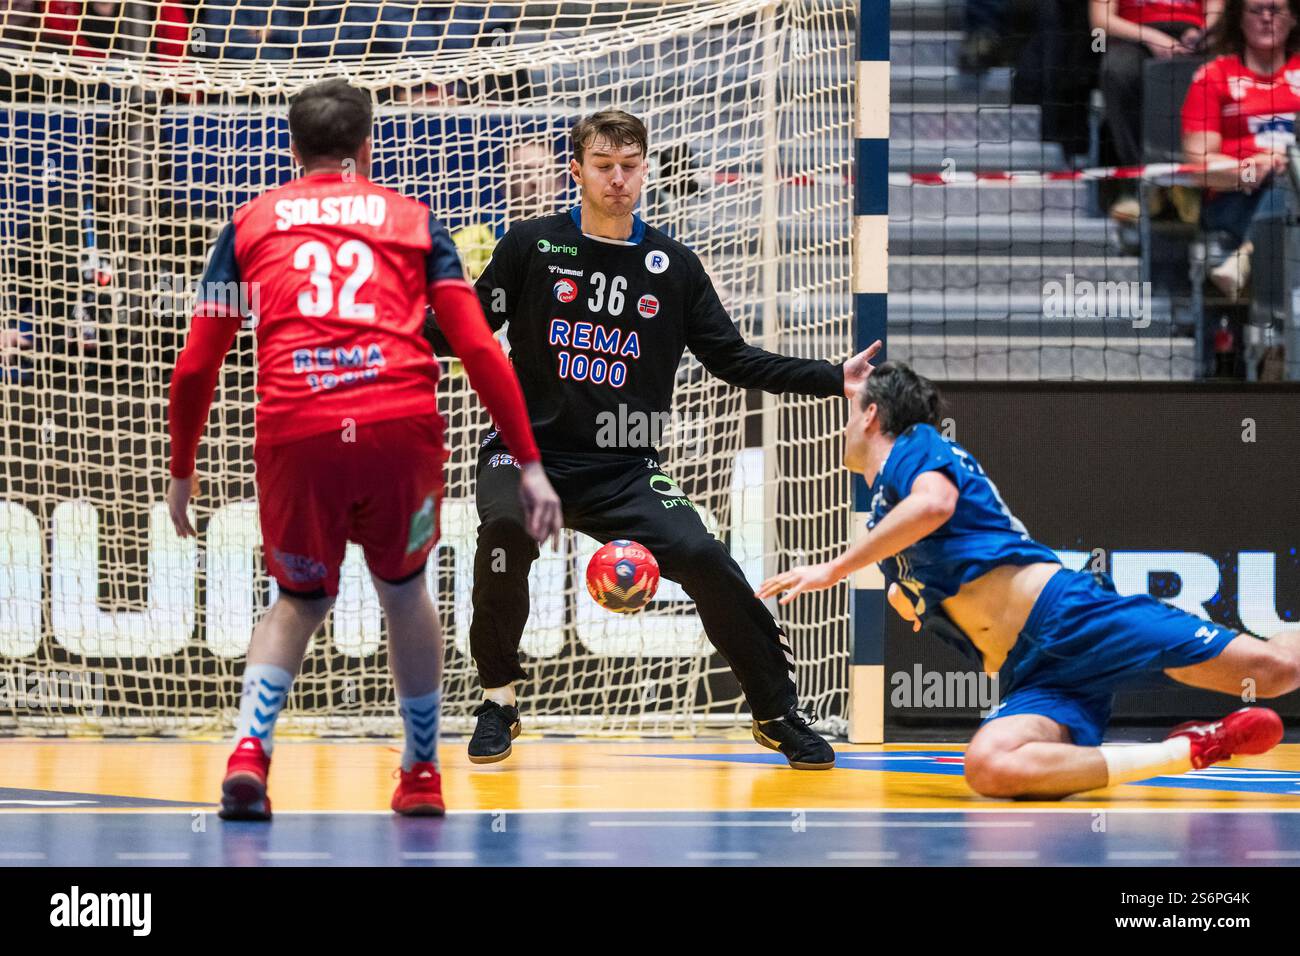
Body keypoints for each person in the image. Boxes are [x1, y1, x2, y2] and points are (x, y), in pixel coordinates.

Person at [424, 108, 881, 770]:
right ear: (575, 170)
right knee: (500, 538)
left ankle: (776, 711)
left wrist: (830, 376)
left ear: (646, 170)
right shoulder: (531, 244)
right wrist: (386, 327)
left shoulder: (674, 265)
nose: (618, 180)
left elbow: (734, 359)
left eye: (630, 167)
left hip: (625, 468)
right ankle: (498, 700)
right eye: (603, 167)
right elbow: (465, 328)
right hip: (527, 457)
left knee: (705, 556)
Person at [166, 78, 561, 819]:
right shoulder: (411, 220)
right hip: (396, 427)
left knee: (297, 599)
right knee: (405, 591)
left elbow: (195, 366)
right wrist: (529, 462)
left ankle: (250, 753)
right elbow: (478, 348)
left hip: (299, 426)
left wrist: (182, 470)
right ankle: (419, 773)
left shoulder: (251, 222)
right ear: (367, 146)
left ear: (293, 147)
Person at [757, 362, 1296, 799]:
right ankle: (1192, 750)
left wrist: (833, 568)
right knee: (990, 766)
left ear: (872, 415)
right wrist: (907, 597)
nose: (845, 426)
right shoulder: (885, 524)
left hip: (1070, 617)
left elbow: (936, 504)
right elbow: (921, 587)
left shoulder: (915, 446)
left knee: (1273, 672)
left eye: (851, 413)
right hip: (1033, 673)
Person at [1183, 0, 1300, 300]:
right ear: (1239, 19)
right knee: (1286, 177)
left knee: (1291, 173)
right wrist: (1251, 168)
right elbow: (1199, 166)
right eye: (1255, 10)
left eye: (1275, 11)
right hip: (1237, 198)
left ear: (1293, 18)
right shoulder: (1213, 76)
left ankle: (1248, 254)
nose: (1265, 19)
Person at [1092, 0, 1221, 223]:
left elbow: (1217, 9)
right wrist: (1151, 37)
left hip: (1193, 35)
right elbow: (1100, 23)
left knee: (1222, 72)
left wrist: (1203, 33)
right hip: (1134, 35)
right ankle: (1141, 183)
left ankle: (1199, 185)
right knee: (1117, 71)